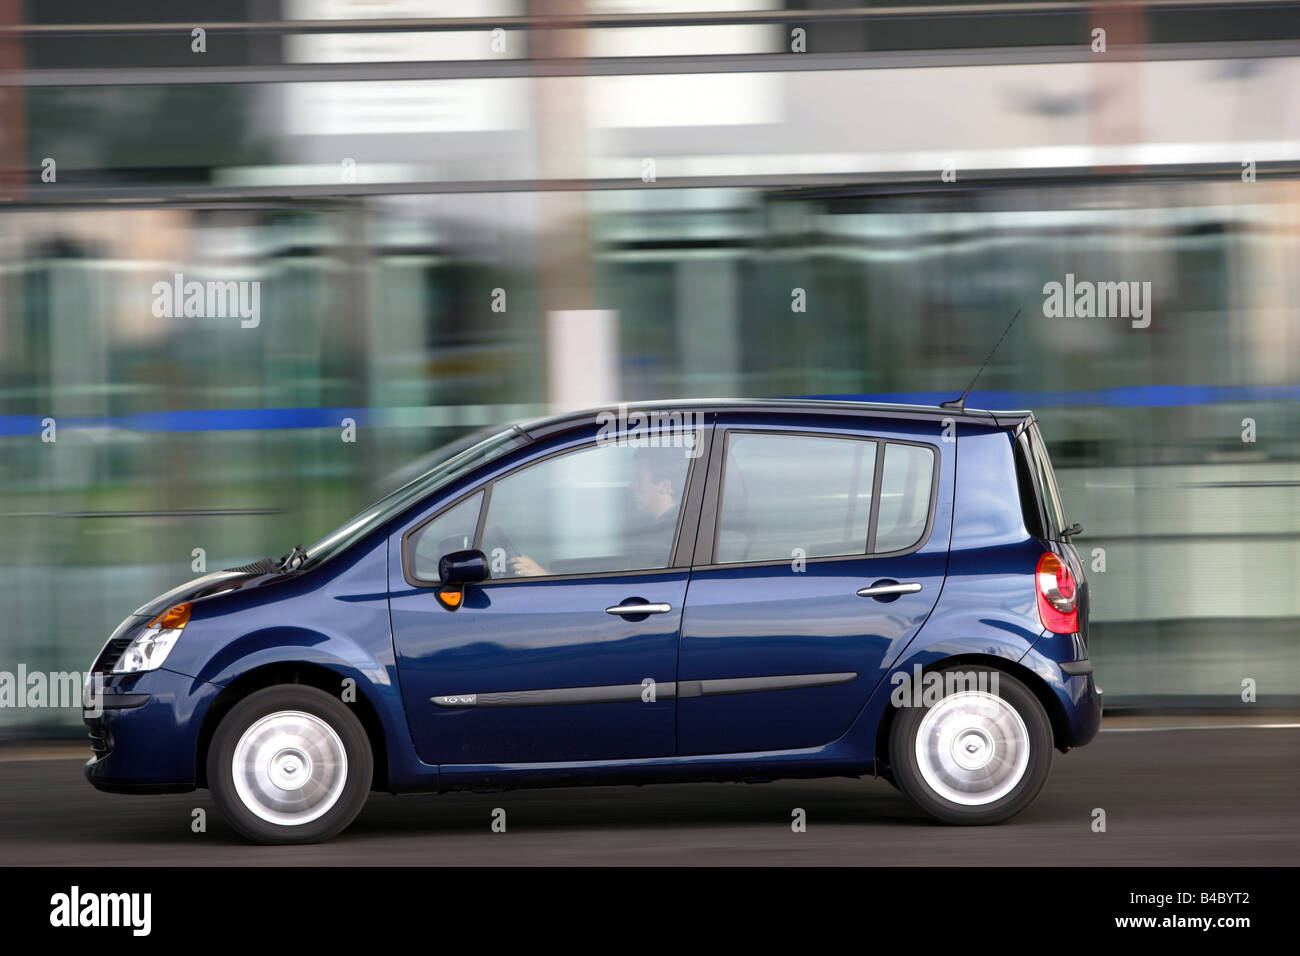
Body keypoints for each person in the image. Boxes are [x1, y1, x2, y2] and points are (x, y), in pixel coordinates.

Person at [508, 447, 682, 577]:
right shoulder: (667, 529)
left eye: (639, 478)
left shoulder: (663, 540)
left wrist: (544, 576)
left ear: (664, 486)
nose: (632, 486)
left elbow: (621, 594)